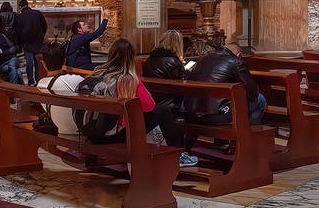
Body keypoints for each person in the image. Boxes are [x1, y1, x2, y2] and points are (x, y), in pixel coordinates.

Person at [88, 38, 196, 167]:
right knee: (162, 111)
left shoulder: (96, 74)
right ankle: (178, 155)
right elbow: (150, 105)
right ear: (130, 58)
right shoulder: (129, 79)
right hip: (112, 135)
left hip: (93, 132)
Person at [181, 42, 266, 127]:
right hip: (217, 114)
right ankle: (247, 135)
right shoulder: (236, 62)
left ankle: (225, 138)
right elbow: (252, 93)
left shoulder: (204, 59)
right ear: (239, 55)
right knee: (260, 99)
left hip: (191, 110)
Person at [35, 39, 84, 134]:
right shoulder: (76, 80)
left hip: (61, 129)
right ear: (65, 61)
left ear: (44, 64)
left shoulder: (40, 85)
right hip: (80, 130)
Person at [142, 30, 187, 111]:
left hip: (153, 100)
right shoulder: (173, 61)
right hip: (171, 103)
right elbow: (181, 85)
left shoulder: (149, 59)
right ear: (178, 44)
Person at [16, 0, 47, 86]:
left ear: (20, 7)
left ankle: (30, 81)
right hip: (38, 41)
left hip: (27, 42)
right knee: (38, 62)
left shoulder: (20, 16)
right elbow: (44, 26)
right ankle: (38, 79)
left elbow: (18, 30)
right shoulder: (38, 13)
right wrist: (41, 37)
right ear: (28, 5)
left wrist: (20, 42)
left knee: (29, 62)